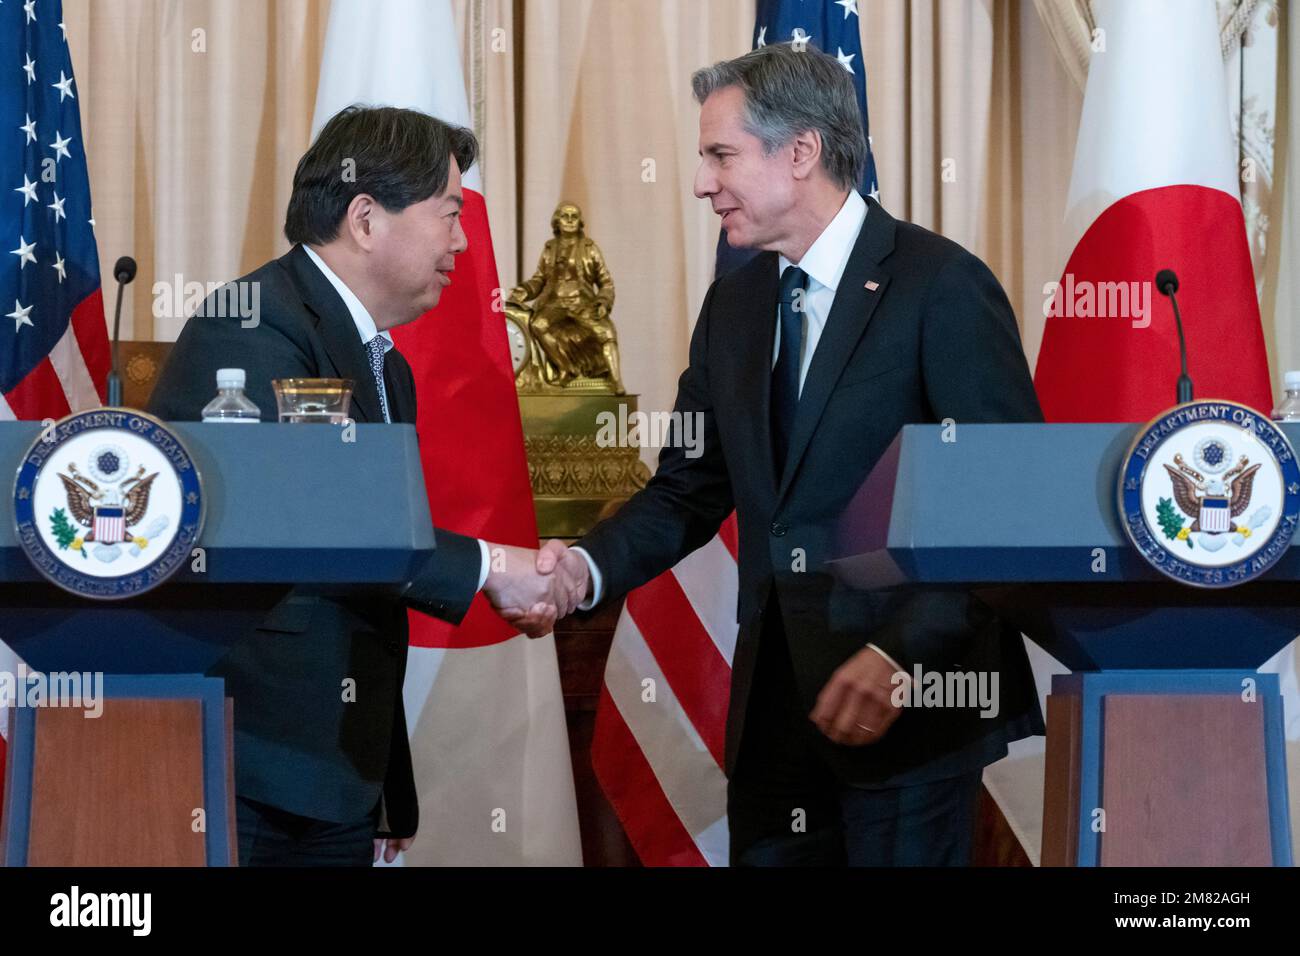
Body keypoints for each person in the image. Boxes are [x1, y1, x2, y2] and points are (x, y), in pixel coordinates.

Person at [525, 43, 1046, 865]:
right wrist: (580, 573)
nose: (701, 182)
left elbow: (1007, 504)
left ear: (800, 152)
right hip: (774, 722)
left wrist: (898, 656)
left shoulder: (940, 287)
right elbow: (686, 490)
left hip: (911, 713)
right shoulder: (736, 302)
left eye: (720, 155)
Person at [149, 106, 587, 866]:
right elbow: (315, 518)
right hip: (247, 768)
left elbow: (370, 587)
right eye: (449, 214)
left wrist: (387, 786)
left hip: (332, 778)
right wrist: (491, 567)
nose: (462, 239)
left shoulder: (385, 365)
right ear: (364, 218)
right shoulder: (250, 325)